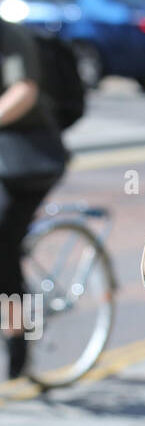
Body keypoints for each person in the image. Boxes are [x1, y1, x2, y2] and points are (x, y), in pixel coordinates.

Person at [0, 19, 69, 380]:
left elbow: (23, 89)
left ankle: (17, 330)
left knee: (2, 235)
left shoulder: (11, 37)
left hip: (28, 158)